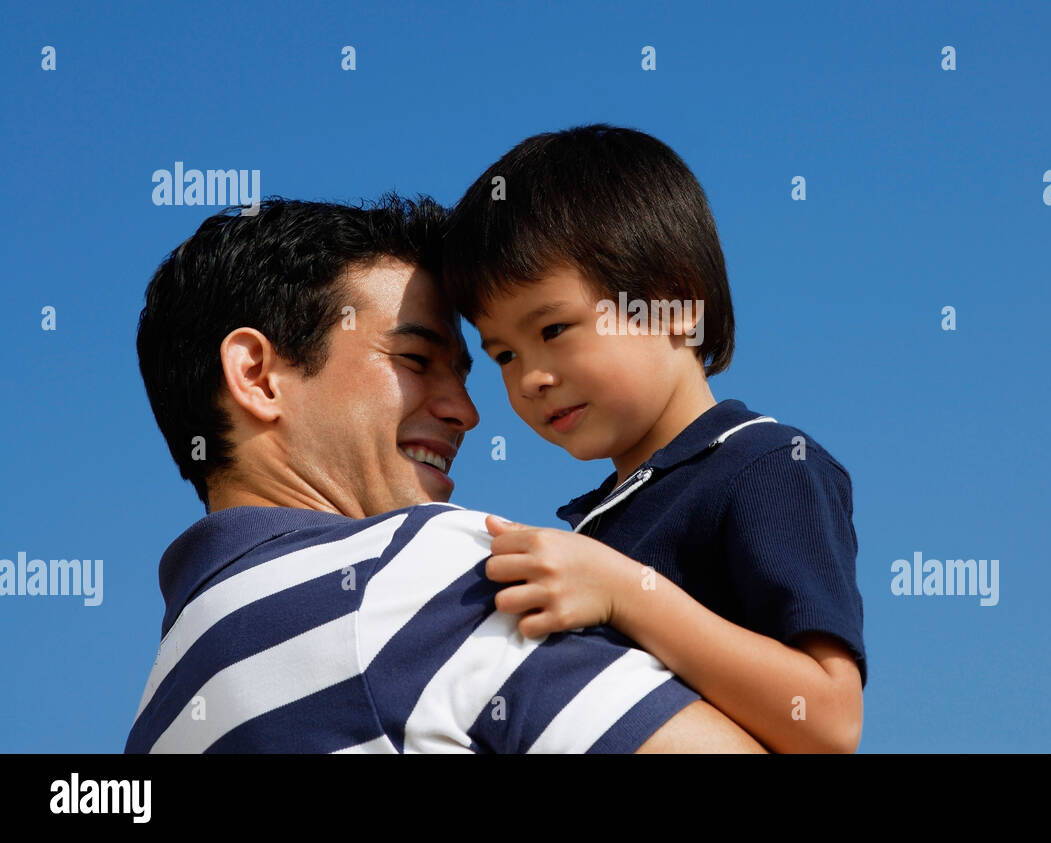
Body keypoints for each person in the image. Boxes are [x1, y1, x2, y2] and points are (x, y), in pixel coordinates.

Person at [125, 194, 762, 754]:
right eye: (414, 359)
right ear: (257, 377)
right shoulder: (423, 572)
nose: (466, 411)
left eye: (465, 370)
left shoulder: (161, 710)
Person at [441, 125, 867, 754]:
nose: (531, 377)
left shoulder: (765, 464)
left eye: (554, 328)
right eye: (503, 354)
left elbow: (829, 719)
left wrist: (623, 594)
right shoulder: (601, 522)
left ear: (673, 303)